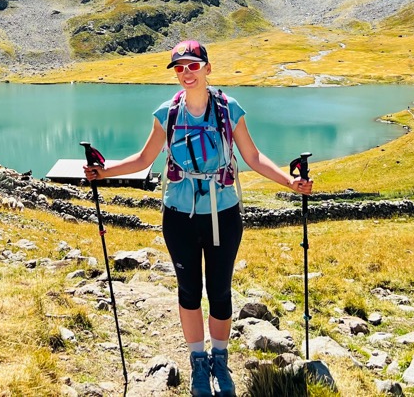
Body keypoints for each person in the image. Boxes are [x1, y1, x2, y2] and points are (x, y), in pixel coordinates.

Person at [83, 39, 313, 397]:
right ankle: (198, 362)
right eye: (179, 67)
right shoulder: (167, 114)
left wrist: (289, 181)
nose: (186, 73)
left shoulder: (229, 109)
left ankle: (219, 358)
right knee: (189, 292)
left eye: (193, 66)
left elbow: (252, 156)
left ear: (207, 68)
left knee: (219, 292)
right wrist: (105, 170)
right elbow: (144, 160)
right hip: (179, 216)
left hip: (224, 213)